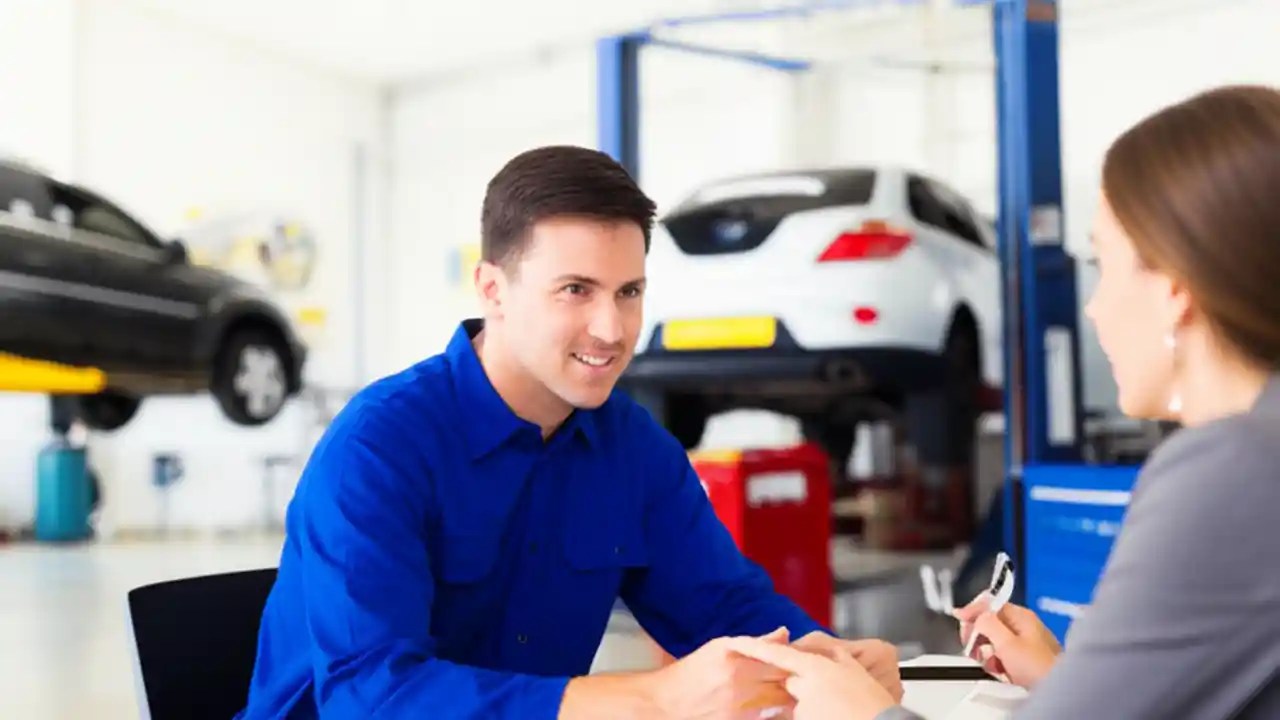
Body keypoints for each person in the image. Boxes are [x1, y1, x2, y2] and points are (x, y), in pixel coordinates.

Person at [237, 145, 902, 719]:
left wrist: (830, 663)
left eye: (629, 291)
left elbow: (724, 605)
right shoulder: (378, 449)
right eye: (576, 290)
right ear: (492, 290)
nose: (612, 330)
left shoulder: (631, 450)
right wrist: (656, 700)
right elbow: (371, 701)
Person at [721, 83, 1280, 719]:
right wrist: (1073, 683)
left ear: (1176, 288)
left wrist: (859, 713)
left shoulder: (1233, 467)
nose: (1093, 309)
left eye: (1103, 266)